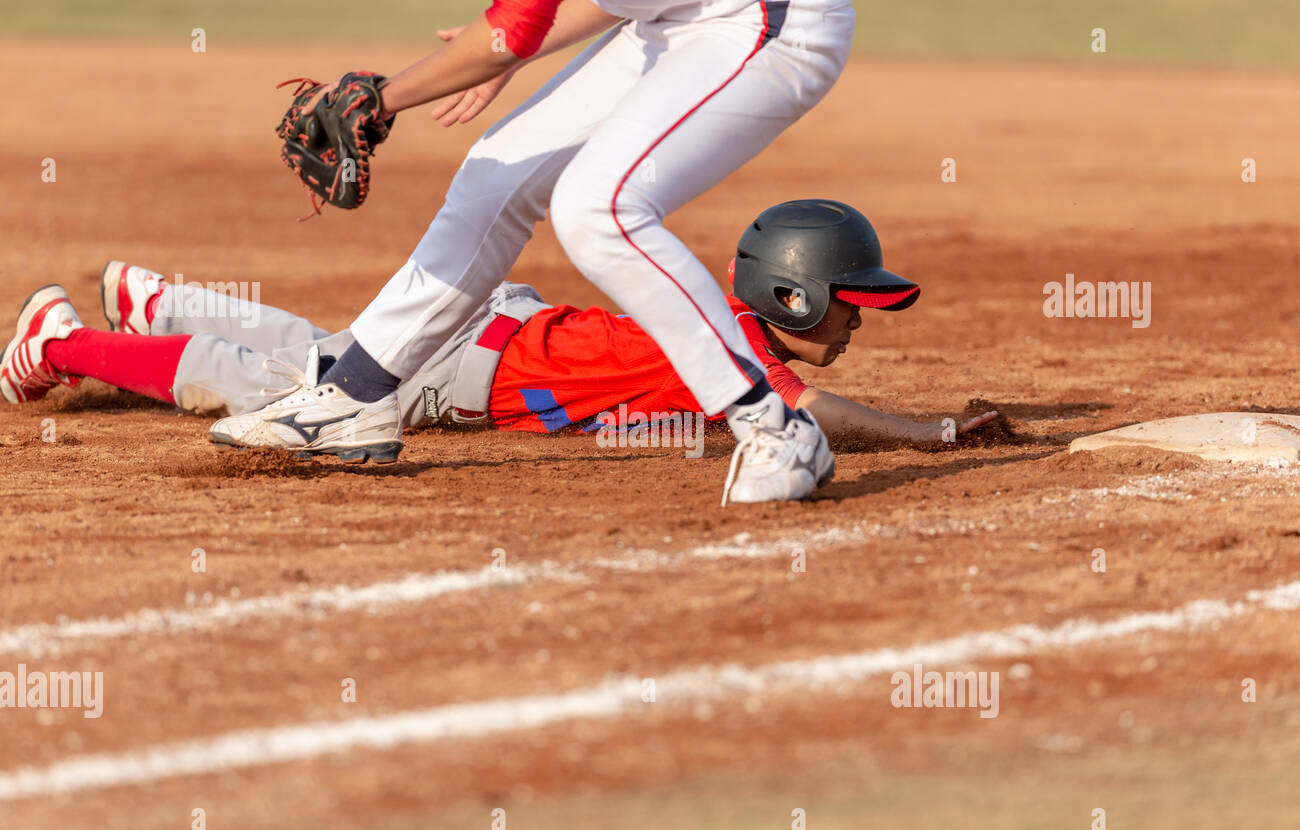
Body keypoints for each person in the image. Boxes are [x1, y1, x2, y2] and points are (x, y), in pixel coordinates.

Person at [206, 0, 859, 503]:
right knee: (497, 169)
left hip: (772, 22)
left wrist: (378, 99)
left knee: (599, 208)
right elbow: (548, 17)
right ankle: (357, 395)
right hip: (676, 16)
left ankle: (774, 427)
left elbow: (515, 27)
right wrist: (502, 52)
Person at [1, 200, 997, 501]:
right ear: (792, 294)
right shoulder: (731, 340)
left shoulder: (712, 312)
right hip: (467, 370)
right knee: (270, 383)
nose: (859, 319)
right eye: (850, 302)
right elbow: (805, 415)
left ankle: (162, 302)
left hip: (496, 328)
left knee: (322, 351)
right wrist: (937, 430)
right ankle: (69, 340)